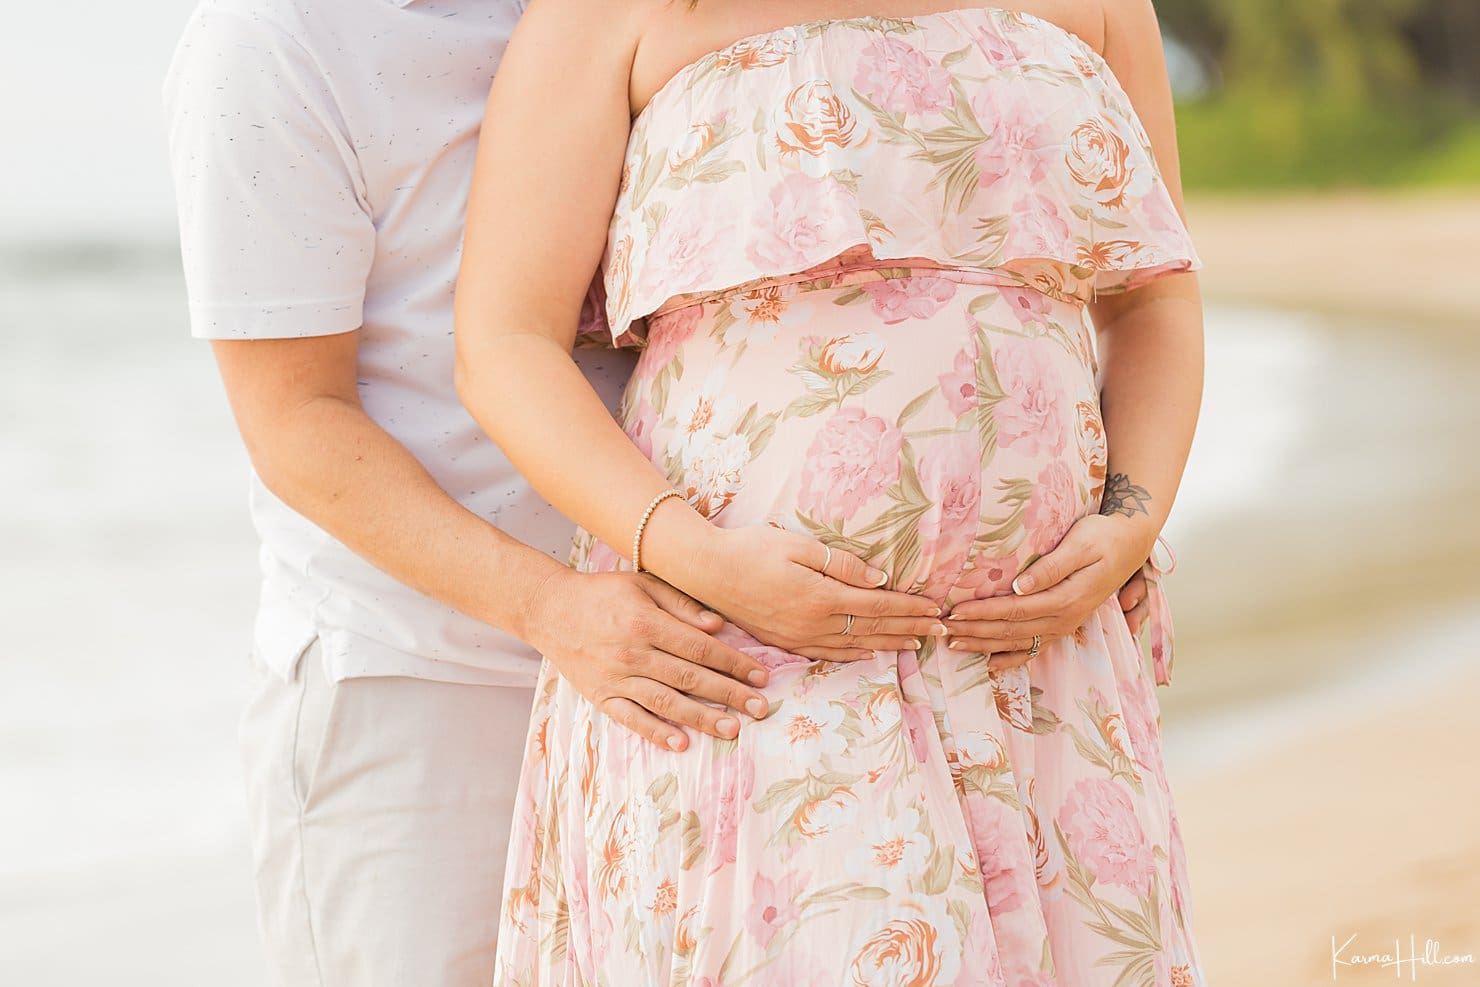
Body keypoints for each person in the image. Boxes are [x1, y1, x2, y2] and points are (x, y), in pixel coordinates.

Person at [162, 0, 952, 982]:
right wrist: (552, 609)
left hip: (684, 652)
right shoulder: (270, 43)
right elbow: (295, 423)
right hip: (425, 681)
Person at [455, 0, 1206, 983]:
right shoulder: (609, 14)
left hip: (1043, 664)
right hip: (748, 664)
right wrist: (696, 555)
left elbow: (1153, 301)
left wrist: (1131, 519)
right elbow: (504, 343)